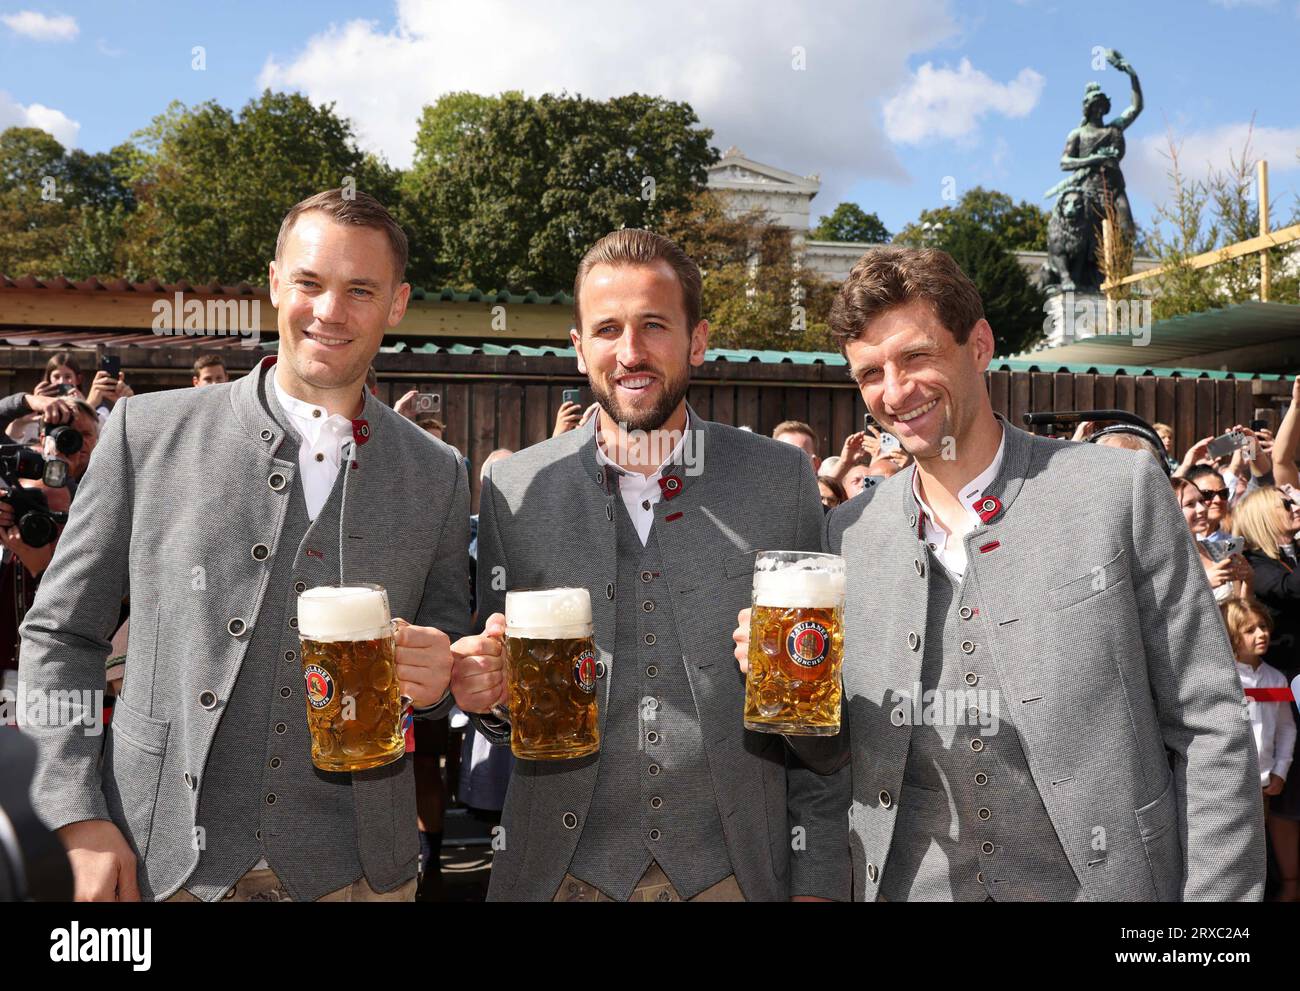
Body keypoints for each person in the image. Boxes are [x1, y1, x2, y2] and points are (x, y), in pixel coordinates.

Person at [735, 245, 1264, 901]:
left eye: (916, 356)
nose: (895, 391)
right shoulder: (847, 535)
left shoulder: (1116, 493)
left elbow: (1211, 725)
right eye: (871, 373)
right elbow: (835, 759)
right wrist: (791, 694)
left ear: (979, 344)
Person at [19, 188, 471, 903]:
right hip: (150, 860)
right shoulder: (145, 434)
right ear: (272, 285)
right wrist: (75, 815)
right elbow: (59, 632)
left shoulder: (439, 473)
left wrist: (440, 673)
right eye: (310, 283)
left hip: (360, 877)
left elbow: (448, 657)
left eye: (361, 289)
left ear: (397, 304)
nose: (329, 311)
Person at [450, 228, 839, 902]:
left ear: (696, 339)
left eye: (654, 325)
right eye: (607, 329)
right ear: (579, 348)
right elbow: (507, 704)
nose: (630, 352)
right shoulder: (515, 491)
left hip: (737, 872)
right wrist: (487, 696)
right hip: (560, 874)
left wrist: (820, 880)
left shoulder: (780, 480)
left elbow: (813, 710)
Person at [1220, 597, 1297, 901]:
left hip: (1263, 786)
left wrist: (1280, 770)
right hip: (1228, 785)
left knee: (1256, 851)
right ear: (1232, 635)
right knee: (1228, 851)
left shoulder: (1276, 678)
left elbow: (1287, 727)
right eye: (1250, 630)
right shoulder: (1225, 679)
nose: (1261, 633)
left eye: (1263, 626)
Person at [1171, 477, 1250, 603]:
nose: (1202, 509)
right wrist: (1205, 584)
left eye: (1201, 501)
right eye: (1190, 504)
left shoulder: (1218, 549)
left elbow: (1240, 608)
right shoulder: (1166, 561)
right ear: (1169, 511)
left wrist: (1248, 580)